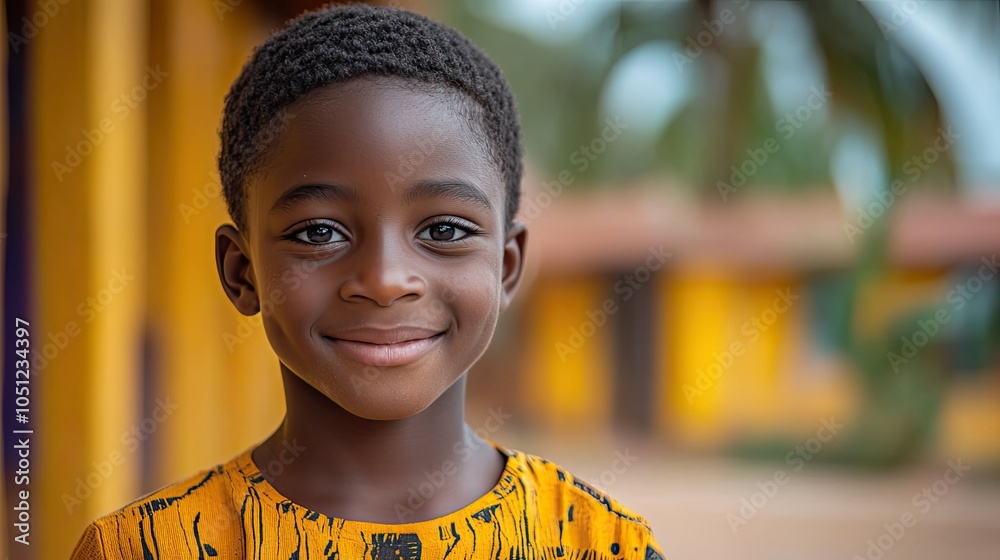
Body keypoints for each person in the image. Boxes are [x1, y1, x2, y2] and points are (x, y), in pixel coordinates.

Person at [70, 4, 664, 558]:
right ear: (241, 271)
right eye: (319, 233)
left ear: (507, 267)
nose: (384, 280)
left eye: (446, 230)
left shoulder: (598, 541)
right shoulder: (144, 546)